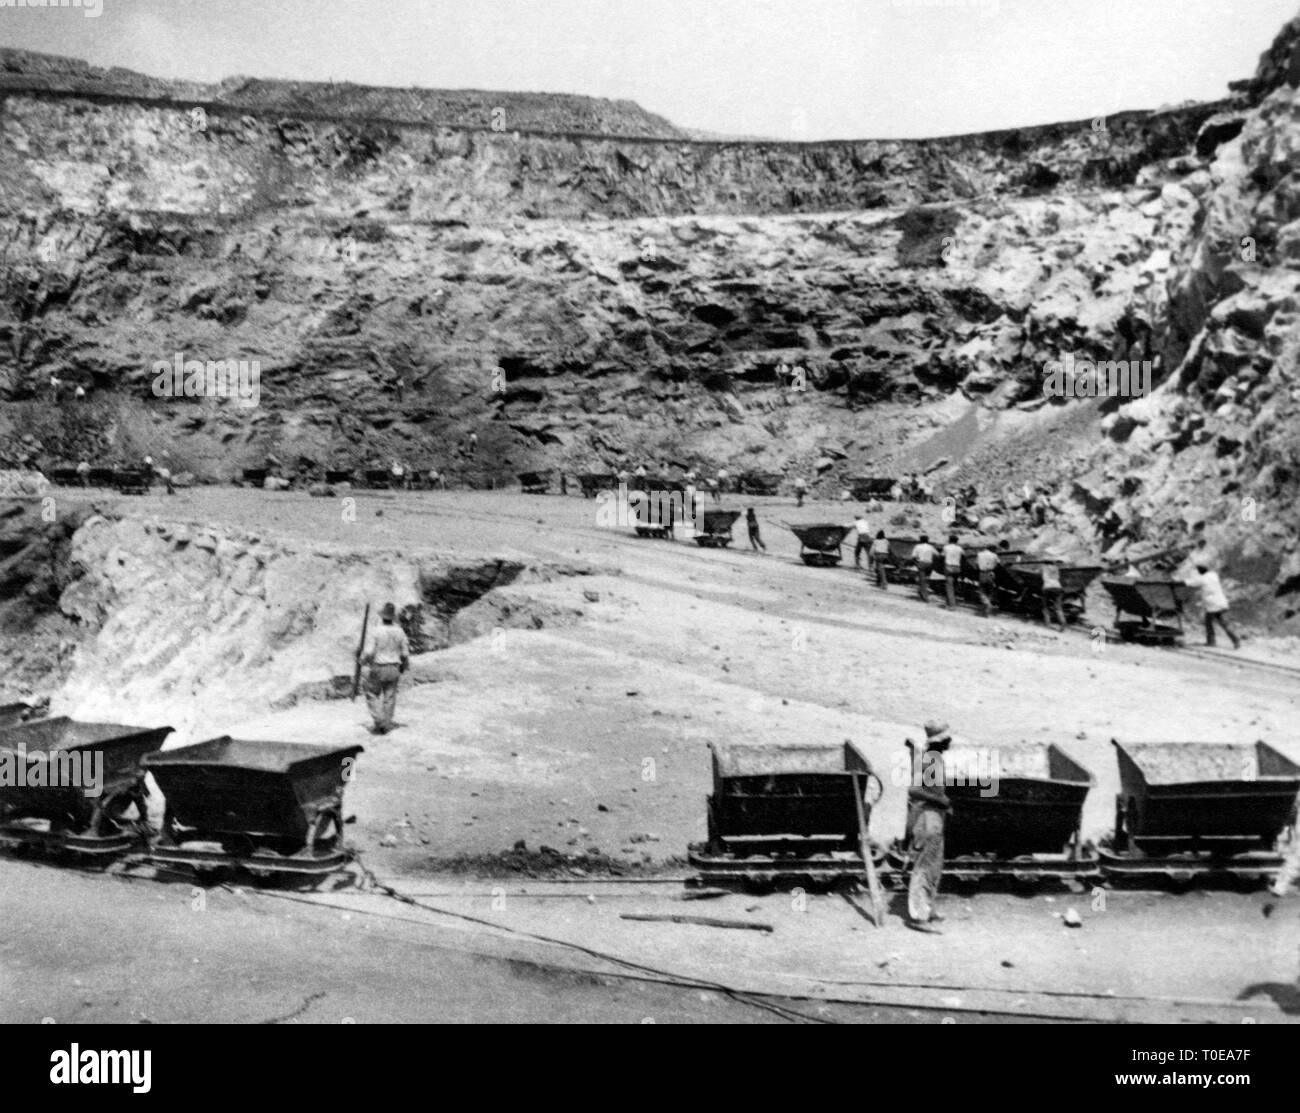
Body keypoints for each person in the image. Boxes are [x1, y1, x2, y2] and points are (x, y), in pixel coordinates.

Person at [906, 720, 953, 931]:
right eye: (946, 738)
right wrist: (941, 802)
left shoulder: (934, 758)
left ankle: (927, 907)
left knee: (934, 867)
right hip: (927, 817)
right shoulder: (929, 759)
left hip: (935, 817)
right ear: (939, 741)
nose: (950, 741)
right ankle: (918, 915)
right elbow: (914, 790)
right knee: (925, 866)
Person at [360, 602, 411, 735]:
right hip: (394, 666)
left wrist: (362, 660)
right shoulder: (400, 631)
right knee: (390, 696)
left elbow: (370, 652)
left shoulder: (376, 630)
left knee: (372, 694)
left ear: (382, 616)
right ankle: (386, 724)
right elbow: (405, 653)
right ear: (393, 617)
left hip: (379, 666)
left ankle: (380, 721)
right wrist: (404, 666)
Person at [1188, 561, 1240, 649]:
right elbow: (1208, 572)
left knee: (1211, 622)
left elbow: (1190, 583)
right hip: (1221, 602)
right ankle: (1235, 640)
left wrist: (1195, 572)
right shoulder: (1213, 575)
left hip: (1213, 605)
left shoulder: (1202, 579)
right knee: (1221, 623)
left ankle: (1212, 641)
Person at [1040, 561, 1066, 630]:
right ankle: (1063, 623)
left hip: (1048, 588)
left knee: (1044, 606)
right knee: (1058, 607)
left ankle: (1048, 624)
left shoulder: (1044, 567)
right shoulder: (1056, 568)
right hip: (1058, 588)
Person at [912, 534, 937, 603]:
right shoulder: (931, 547)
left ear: (920, 540)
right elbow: (937, 555)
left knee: (922, 580)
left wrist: (916, 563)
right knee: (926, 578)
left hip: (921, 563)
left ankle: (925, 596)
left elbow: (913, 556)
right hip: (929, 564)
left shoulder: (917, 546)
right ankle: (921, 591)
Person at [976, 545, 999, 617]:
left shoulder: (979, 554)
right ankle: (987, 610)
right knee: (990, 591)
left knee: (982, 590)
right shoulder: (994, 555)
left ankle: (986, 603)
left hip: (982, 573)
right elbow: (997, 564)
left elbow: (976, 564)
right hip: (990, 573)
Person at [942, 534, 963, 608]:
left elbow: (942, 556)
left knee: (949, 586)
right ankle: (948, 603)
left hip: (949, 567)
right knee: (954, 585)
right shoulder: (960, 548)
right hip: (957, 567)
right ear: (957, 541)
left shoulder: (946, 547)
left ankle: (951, 605)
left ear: (949, 540)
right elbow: (963, 556)